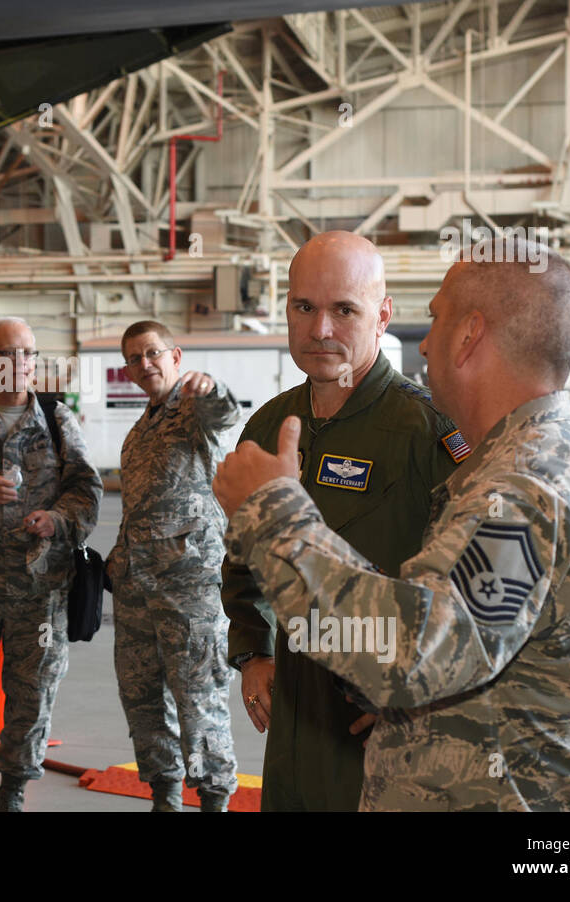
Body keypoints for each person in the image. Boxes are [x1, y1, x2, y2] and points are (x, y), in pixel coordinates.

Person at [213, 241, 570, 811]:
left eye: (438, 317)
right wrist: (257, 648)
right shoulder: (528, 463)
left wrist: (272, 514)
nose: (424, 340)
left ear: (469, 336)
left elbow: (409, 656)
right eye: (304, 307)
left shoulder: (527, 485)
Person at [220, 230, 467, 810]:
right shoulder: (268, 427)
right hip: (294, 714)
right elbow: (240, 554)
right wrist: (253, 648)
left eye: (343, 310)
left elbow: (472, 604)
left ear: (382, 316)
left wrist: (421, 702)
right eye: (304, 307)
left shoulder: (428, 433)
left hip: (382, 729)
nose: (320, 330)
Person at [0, 318, 103, 811]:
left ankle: (12, 795)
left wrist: (57, 520)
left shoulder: (58, 423)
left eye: (27, 354)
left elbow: (87, 492)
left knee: (32, 697)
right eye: (7, 354)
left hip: (41, 591)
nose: (18, 364)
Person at [107, 320, 240, 811]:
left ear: (175, 355)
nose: (145, 365)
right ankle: (164, 795)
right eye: (134, 360)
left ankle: (214, 799)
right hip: (137, 590)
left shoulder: (193, 411)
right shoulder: (137, 433)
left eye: (152, 354)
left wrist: (212, 388)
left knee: (198, 699)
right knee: (142, 700)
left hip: (191, 589)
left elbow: (225, 412)